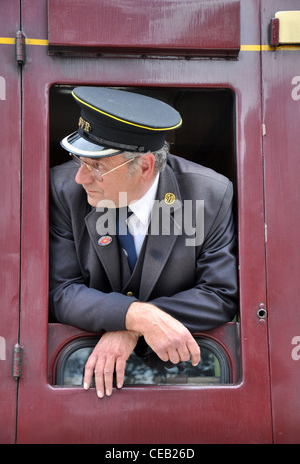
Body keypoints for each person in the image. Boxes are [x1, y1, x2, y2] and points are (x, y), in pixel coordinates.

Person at [49, 86, 238, 398]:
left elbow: (219, 293)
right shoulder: (62, 188)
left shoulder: (210, 195)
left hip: (180, 384)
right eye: (79, 160)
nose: (80, 177)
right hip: (78, 380)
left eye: (96, 167)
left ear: (146, 166)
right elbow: (61, 290)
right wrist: (137, 316)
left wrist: (131, 328)